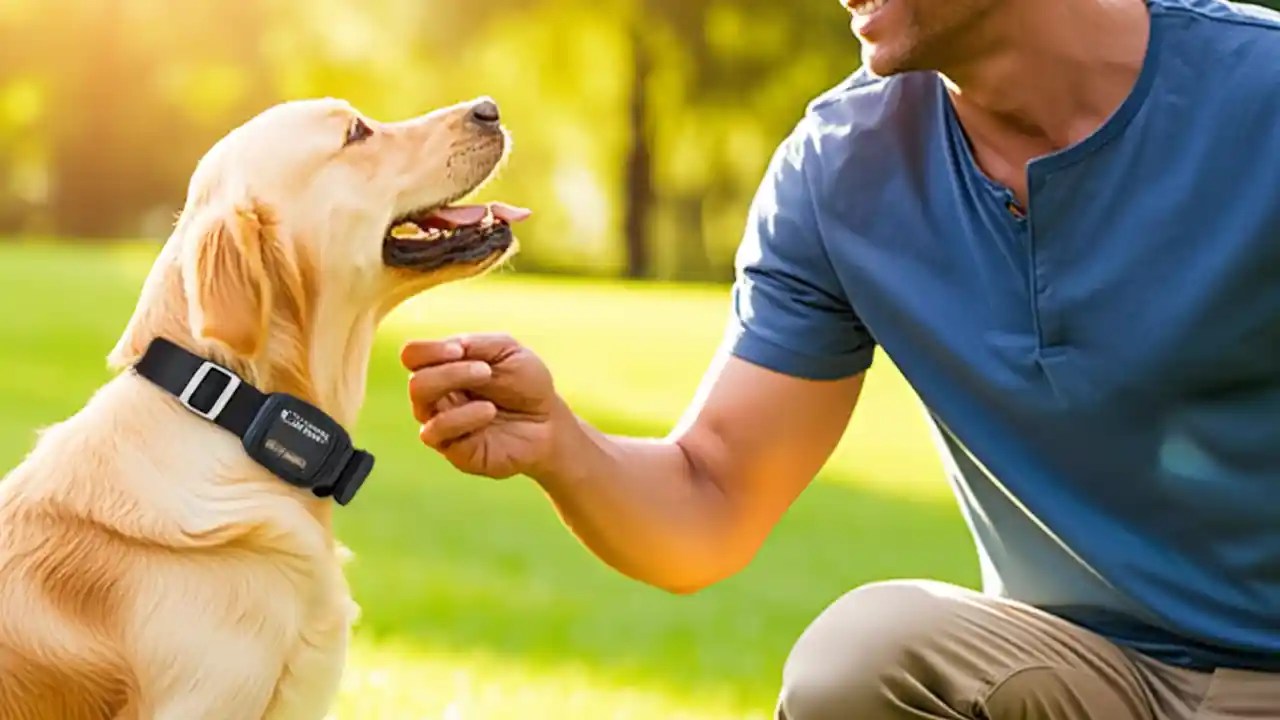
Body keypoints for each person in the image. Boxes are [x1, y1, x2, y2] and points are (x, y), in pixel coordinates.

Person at [400, 0, 1280, 717]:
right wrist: (562, 444)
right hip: (1082, 680)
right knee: (861, 658)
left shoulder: (1260, 97)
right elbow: (711, 497)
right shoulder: (841, 168)